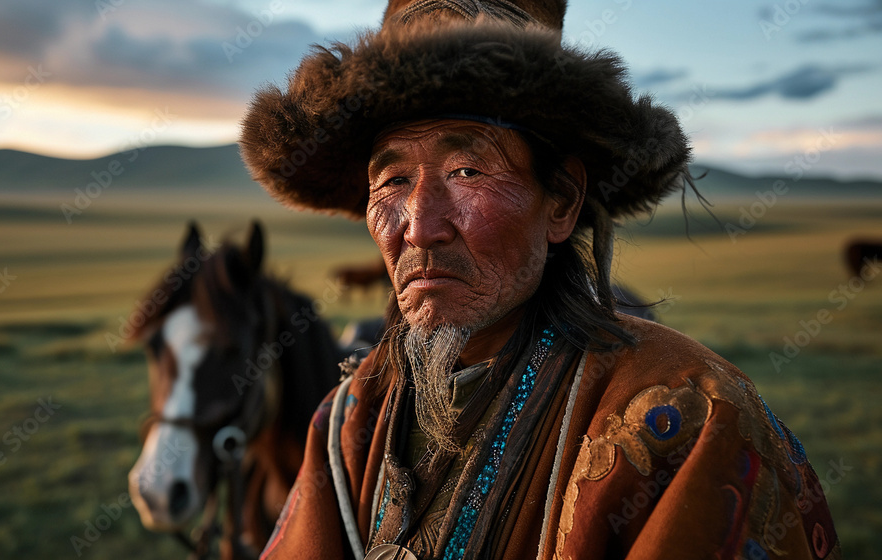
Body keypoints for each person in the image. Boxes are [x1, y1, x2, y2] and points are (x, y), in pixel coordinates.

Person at [238, 1, 841, 558]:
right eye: (392, 181)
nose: (419, 228)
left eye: (467, 169)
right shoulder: (346, 420)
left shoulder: (689, 418)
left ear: (561, 202)